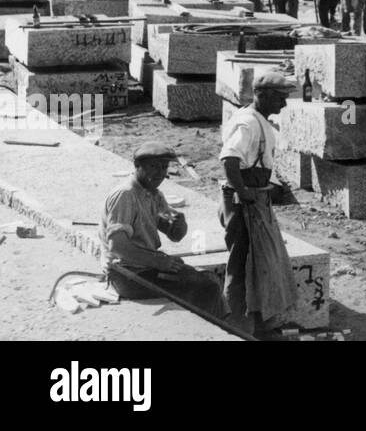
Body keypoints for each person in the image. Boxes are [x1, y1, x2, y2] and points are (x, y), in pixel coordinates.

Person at [101, 142, 224, 317]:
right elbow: (118, 247)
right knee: (206, 286)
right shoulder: (126, 195)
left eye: (164, 167)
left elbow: (175, 235)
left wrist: (180, 223)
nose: (160, 173)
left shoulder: (154, 194)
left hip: (145, 266)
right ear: (137, 166)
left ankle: (222, 325)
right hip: (126, 274)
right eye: (153, 167)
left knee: (208, 280)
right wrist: (159, 262)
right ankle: (212, 328)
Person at [219, 71, 300, 334]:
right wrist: (244, 192)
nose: (284, 104)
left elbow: (253, 161)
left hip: (255, 200)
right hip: (244, 205)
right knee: (242, 265)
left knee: (261, 265)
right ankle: (238, 328)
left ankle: (259, 324)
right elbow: (229, 159)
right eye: (279, 98)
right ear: (261, 95)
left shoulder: (259, 121)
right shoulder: (248, 123)